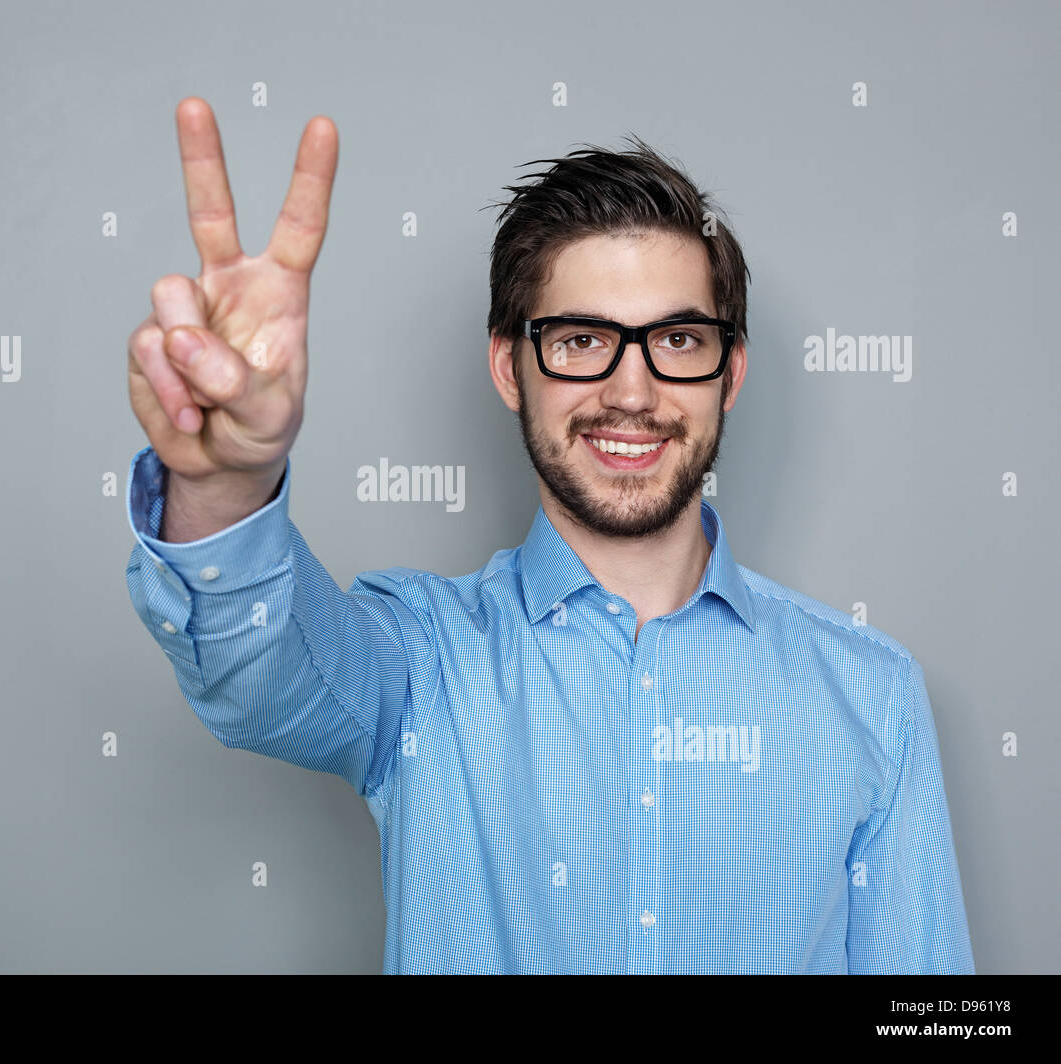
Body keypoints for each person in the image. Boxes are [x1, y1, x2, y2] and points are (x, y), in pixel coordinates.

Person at [123, 97, 975, 974]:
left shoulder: (874, 696)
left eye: (678, 339)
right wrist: (225, 481)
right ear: (509, 366)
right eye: (581, 340)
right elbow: (255, 676)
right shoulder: (417, 664)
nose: (634, 392)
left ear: (730, 372)